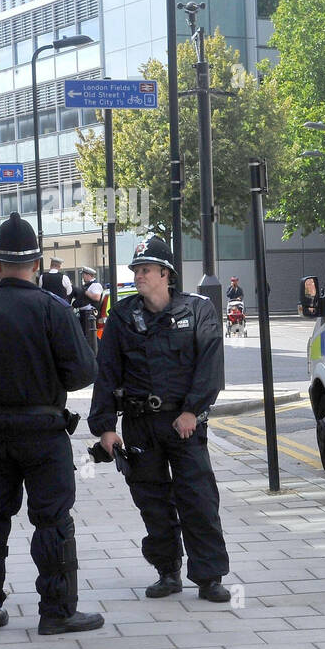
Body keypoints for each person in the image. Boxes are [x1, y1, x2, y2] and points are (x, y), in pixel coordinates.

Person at [0, 213, 104, 635]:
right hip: (43, 430)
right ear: (36, 263)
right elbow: (82, 373)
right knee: (51, 520)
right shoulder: (53, 308)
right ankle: (57, 611)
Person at [89, 236, 232, 602]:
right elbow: (107, 372)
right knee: (152, 502)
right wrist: (105, 427)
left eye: (146, 269)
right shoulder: (123, 316)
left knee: (198, 499)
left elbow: (210, 366)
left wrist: (192, 410)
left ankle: (209, 577)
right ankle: (167, 571)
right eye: (136, 269)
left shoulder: (197, 310)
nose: (139, 275)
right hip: (140, 424)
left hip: (183, 424)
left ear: (166, 274)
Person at [71, 265, 102, 356]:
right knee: (85, 334)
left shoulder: (95, 285)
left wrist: (85, 292)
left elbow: (96, 297)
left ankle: (97, 352)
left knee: (90, 334)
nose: (83, 277)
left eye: (84, 275)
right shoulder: (87, 285)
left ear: (89, 275)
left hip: (89, 313)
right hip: (84, 313)